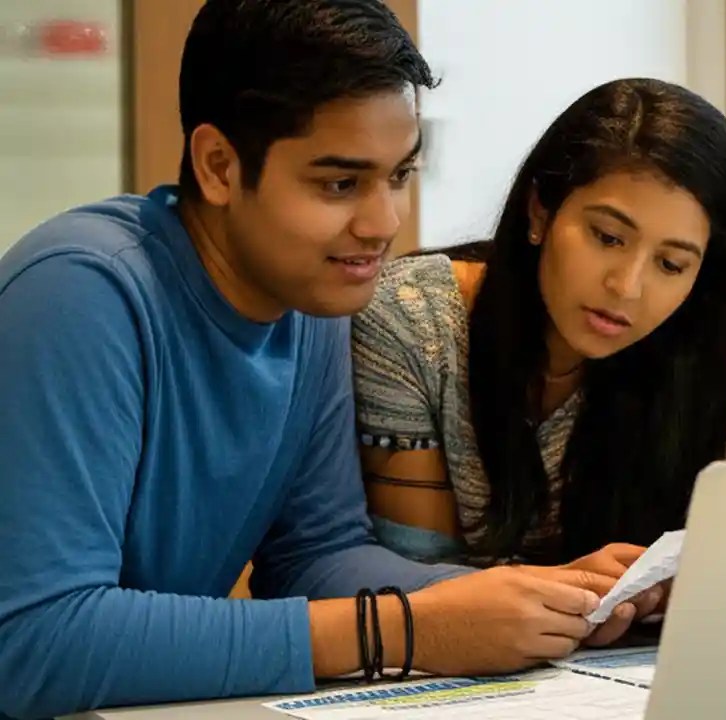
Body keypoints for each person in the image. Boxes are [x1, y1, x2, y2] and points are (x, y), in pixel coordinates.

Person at [0, 2, 637, 718]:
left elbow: (316, 557)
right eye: (340, 184)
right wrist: (405, 629)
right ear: (218, 166)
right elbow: (33, 639)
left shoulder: (309, 300)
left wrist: (536, 600)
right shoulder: (81, 292)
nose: (384, 222)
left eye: (399, 175)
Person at [351, 78, 726, 571]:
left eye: (671, 265)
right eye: (607, 237)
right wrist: (575, 588)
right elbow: (417, 575)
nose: (627, 287)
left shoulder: (684, 355)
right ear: (539, 210)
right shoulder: (410, 319)